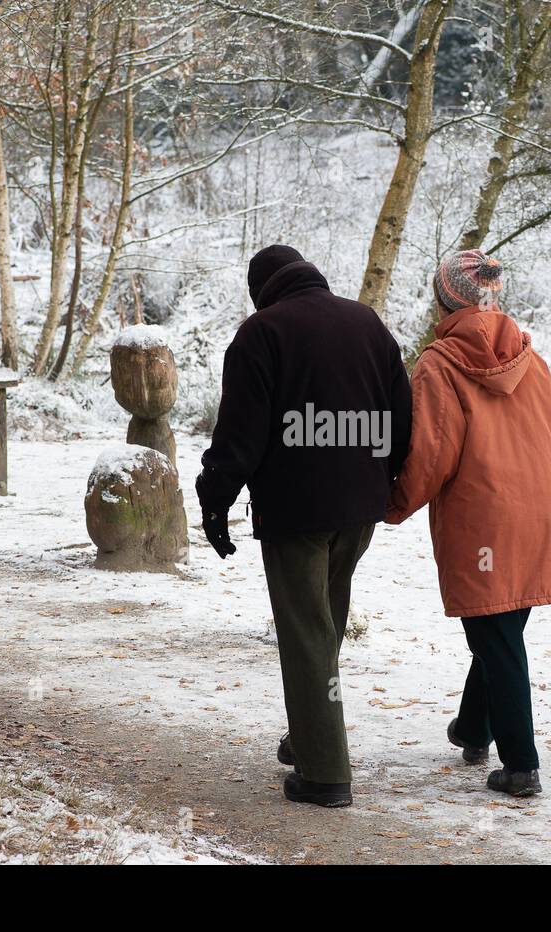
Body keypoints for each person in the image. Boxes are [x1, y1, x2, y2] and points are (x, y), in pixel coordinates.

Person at [196, 244, 411, 809]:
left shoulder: (260, 334)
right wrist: (378, 475)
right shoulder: (366, 322)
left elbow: (240, 436)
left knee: (307, 634)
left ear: (261, 288)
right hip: (360, 508)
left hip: (296, 513)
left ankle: (324, 773)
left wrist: (214, 501)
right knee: (326, 624)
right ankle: (310, 730)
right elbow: (401, 413)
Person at [385, 249, 551, 797]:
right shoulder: (534, 359)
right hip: (539, 519)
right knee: (500, 627)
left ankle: (521, 764)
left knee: (498, 639)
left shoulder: (438, 364)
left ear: (444, 300)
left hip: (483, 524)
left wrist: (389, 504)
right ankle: (473, 728)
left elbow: (432, 456)